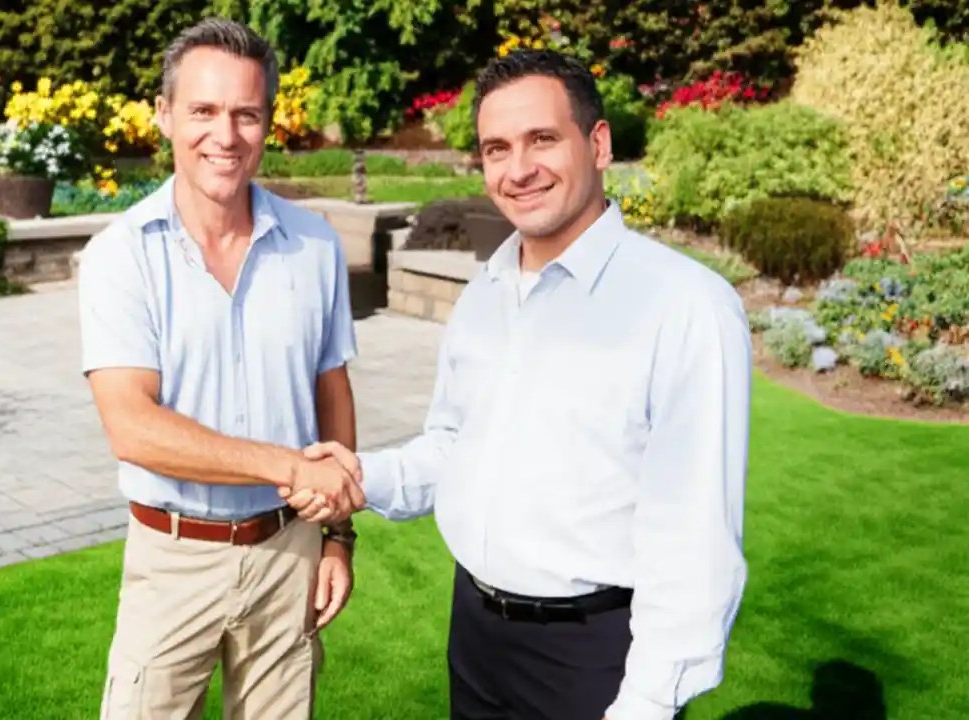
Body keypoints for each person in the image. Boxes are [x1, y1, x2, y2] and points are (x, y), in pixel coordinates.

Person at [288, 49, 752, 720]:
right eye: (497, 148)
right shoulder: (488, 288)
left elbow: (695, 537)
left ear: (598, 144)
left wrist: (648, 702)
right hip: (476, 637)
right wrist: (361, 475)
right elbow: (455, 445)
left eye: (542, 139)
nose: (519, 168)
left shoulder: (685, 306)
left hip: (594, 660)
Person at [78, 18, 364, 720]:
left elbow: (333, 391)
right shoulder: (122, 256)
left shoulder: (315, 246)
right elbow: (134, 429)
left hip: (289, 554)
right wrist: (291, 469)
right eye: (203, 111)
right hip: (173, 559)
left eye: (246, 113)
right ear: (165, 115)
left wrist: (338, 537)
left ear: (269, 121)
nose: (225, 134)